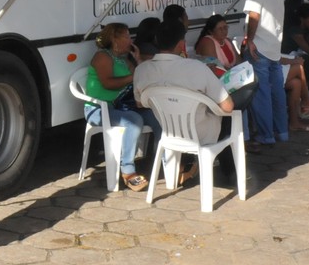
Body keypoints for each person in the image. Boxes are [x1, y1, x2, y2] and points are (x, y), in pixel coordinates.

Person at [134, 20, 236, 179]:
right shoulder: (197, 67)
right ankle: (231, 174)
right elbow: (227, 106)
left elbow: (140, 102)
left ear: (156, 41)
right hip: (200, 133)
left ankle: (187, 164)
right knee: (229, 118)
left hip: (168, 130)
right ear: (182, 44)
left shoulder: (141, 69)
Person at [83, 23, 150, 191]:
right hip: (98, 110)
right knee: (134, 121)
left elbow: (138, 78)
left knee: (155, 115)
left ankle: (166, 163)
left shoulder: (124, 59)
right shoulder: (102, 57)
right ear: (114, 39)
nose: (130, 40)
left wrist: (138, 60)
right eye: (126, 36)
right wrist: (131, 77)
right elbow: (107, 84)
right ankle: (127, 170)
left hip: (120, 106)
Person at [242, 0, 289, 146]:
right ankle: (283, 132)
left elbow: (254, 15)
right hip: (275, 46)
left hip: (259, 45)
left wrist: (249, 39)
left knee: (262, 94)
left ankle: (266, 135)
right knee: (277, 91)